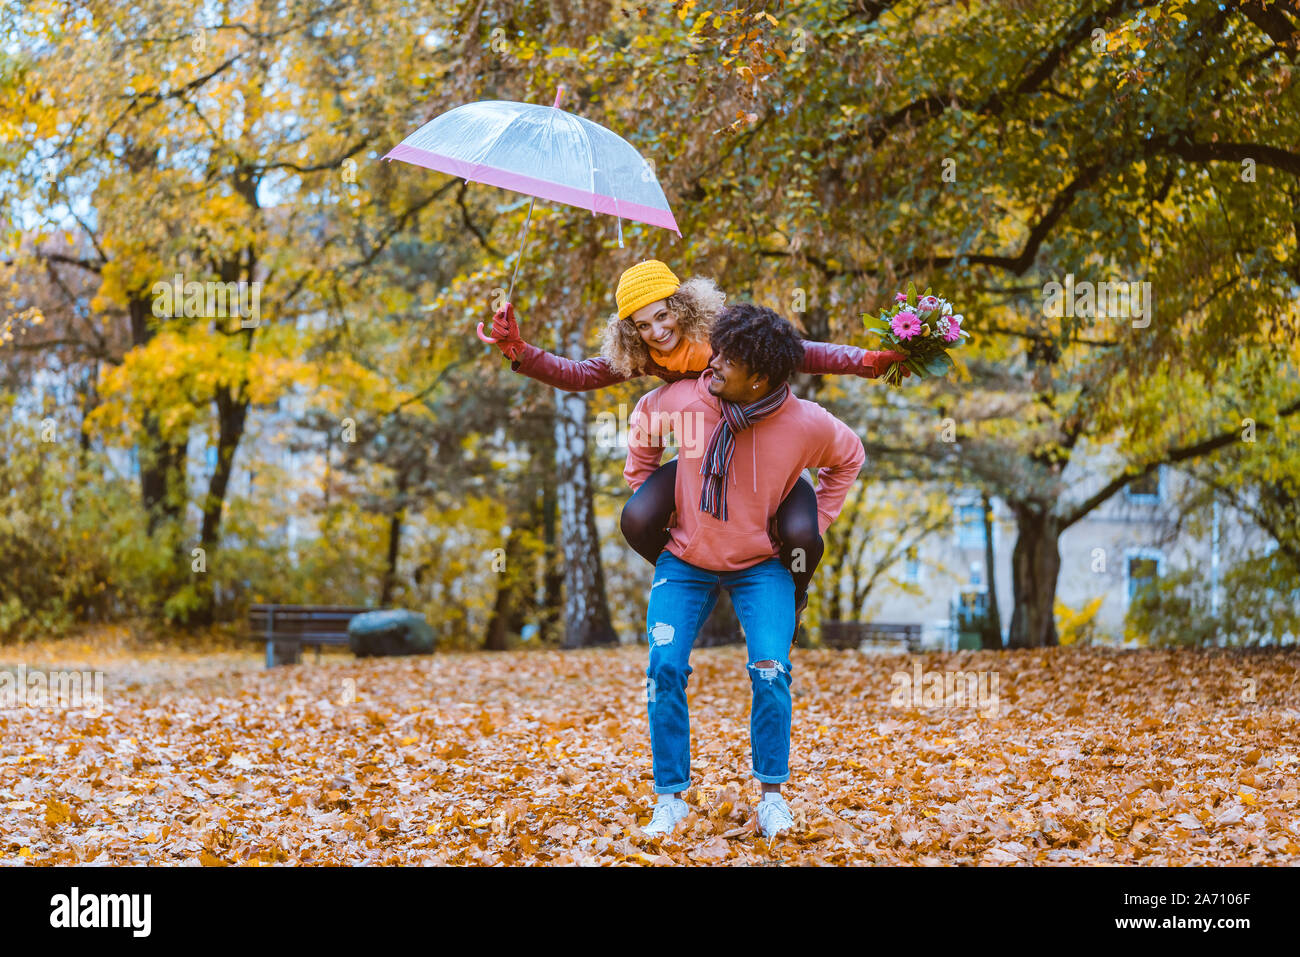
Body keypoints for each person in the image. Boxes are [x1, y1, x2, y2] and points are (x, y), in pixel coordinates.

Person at [483, 260, 905, 621]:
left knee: (802, 534)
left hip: (762, 448)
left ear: (681, 306)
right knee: (637, 517)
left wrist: (871, 362)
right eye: (643, 325)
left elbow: (804, 353)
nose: (657, 331)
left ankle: (791, 599)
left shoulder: (723, 331)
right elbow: (578, 376)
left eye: (662, 316)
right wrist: (517, 348)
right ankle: (694, 577)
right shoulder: (645, 355)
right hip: (702, 458)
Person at [622, 303, 866, 840]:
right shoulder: (688, 399)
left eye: (728, 361)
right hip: (685, 560)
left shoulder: (806, 424)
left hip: (761, 565)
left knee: (771, 671)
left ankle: (772, 797)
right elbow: (643, 416)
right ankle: (670, 800)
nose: (713, 365)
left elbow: (849, 457)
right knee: (663, 667)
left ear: (760, 379)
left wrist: (818, 517)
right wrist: (644, 484)